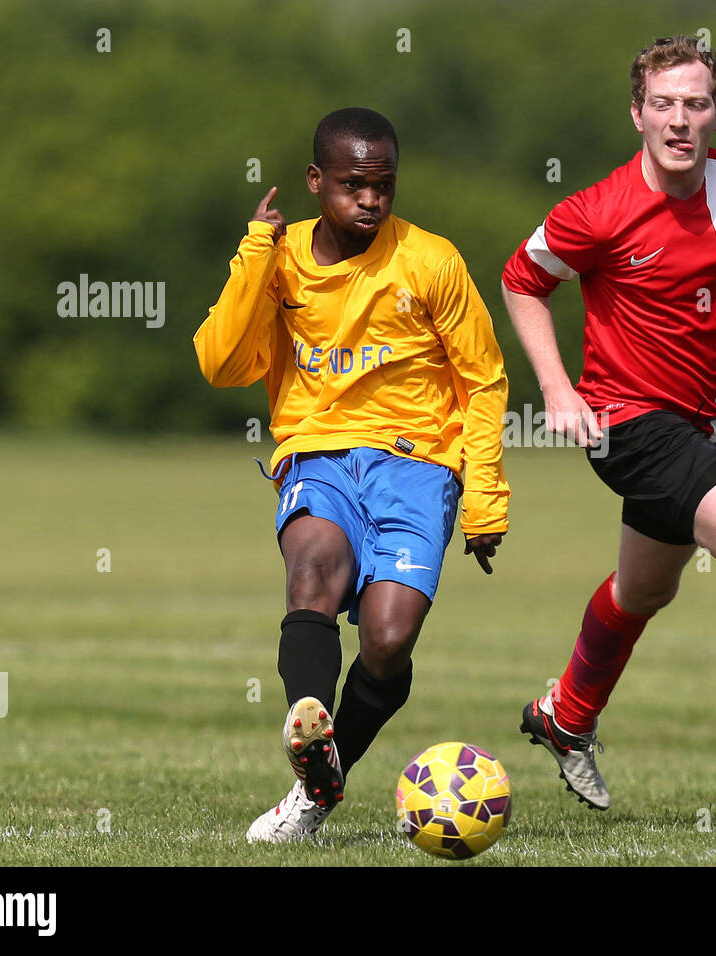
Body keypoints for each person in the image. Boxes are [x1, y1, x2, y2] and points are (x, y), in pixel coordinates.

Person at [500, 36, 716, 825]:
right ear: (637, 113)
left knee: (646, 589)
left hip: (700, 426)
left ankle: (565, 716)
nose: (681, 120)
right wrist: (555, 388)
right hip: (625, 422)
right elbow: (521, 279)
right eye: (665, 105)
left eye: (697, 104)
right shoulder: (600, 210)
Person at [194, 107, 509, 843]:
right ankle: (307, 723)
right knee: (313, 569)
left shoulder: (431, 262)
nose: (370, 200)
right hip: (319, 452)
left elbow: (484, 381)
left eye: (384, 186)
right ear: (316, 182)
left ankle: (315, 792)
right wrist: (252, 255)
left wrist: (485, 499)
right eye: (353, 185)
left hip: (417, 466)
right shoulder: (279, 258)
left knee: (389, 639)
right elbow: (220, 364)